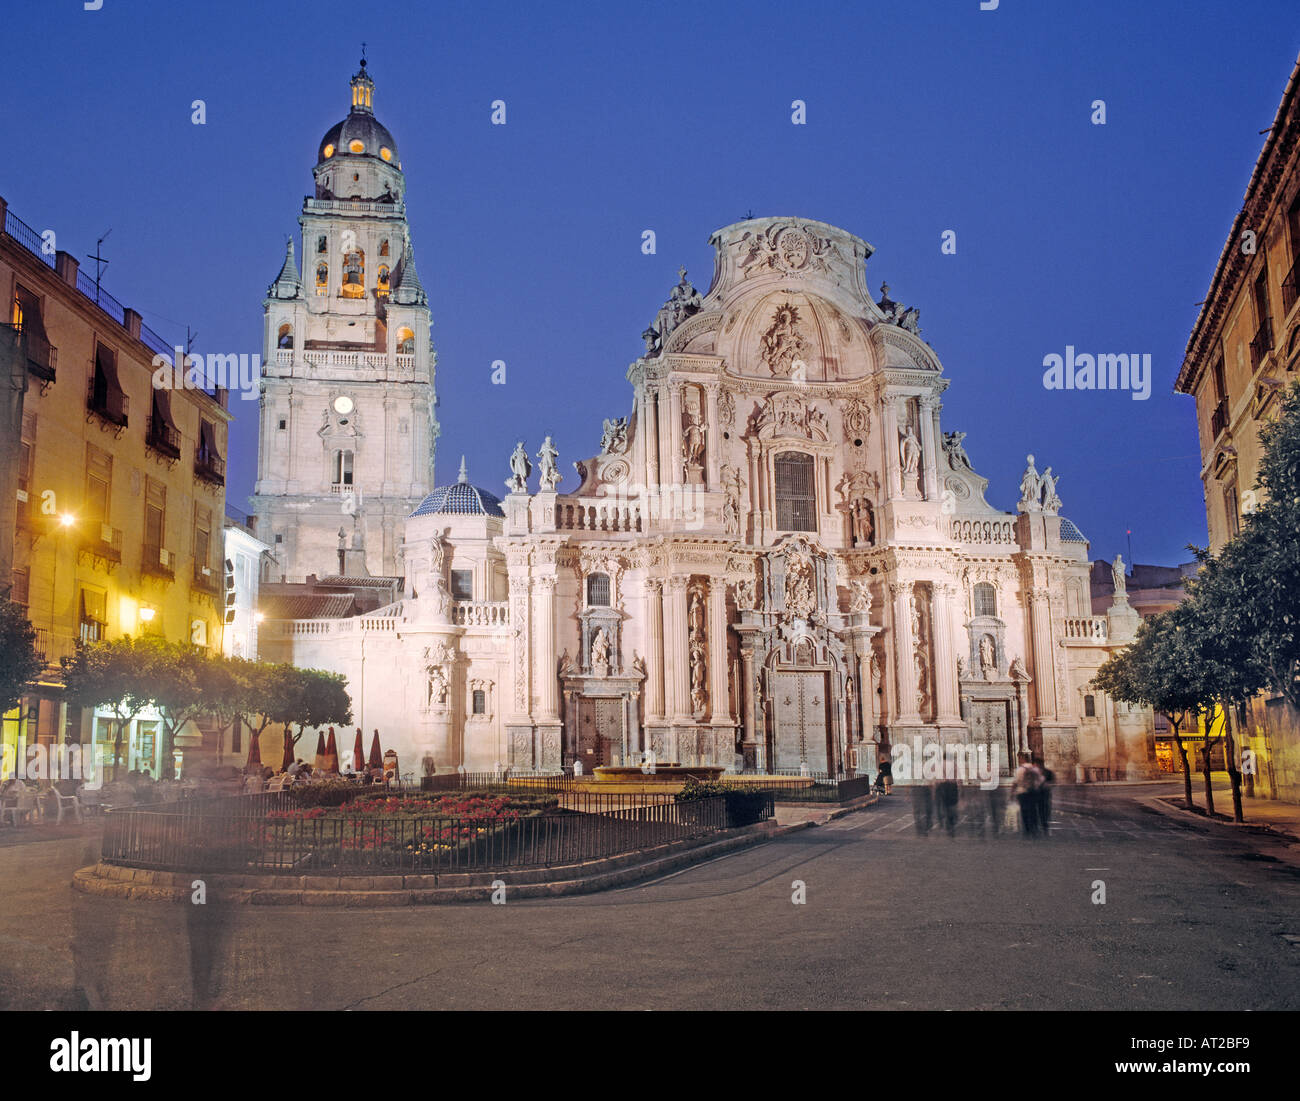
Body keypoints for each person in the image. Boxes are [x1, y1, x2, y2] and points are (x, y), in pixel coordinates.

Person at [1011, 751, 1043, 838]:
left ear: (1021, 759)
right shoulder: (1034, 769)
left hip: (1022, 792)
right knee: (1033, 810)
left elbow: (1015, 782)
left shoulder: (1019, 770)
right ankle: (1035, 828)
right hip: (1033, 792)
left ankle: (1027, 829)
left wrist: (1012, 794)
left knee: (1024, 811)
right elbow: (1040, 781)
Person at [1033, 754, 1055, 835]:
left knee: (1045, 809)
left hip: (1045, 794)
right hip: (1035, 794)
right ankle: (1038, 824)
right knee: (1037, 809)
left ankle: (1044, 823)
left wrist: (1047, 784)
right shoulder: (1033, 773)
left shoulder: (1048, 772)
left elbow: (1052, 782)